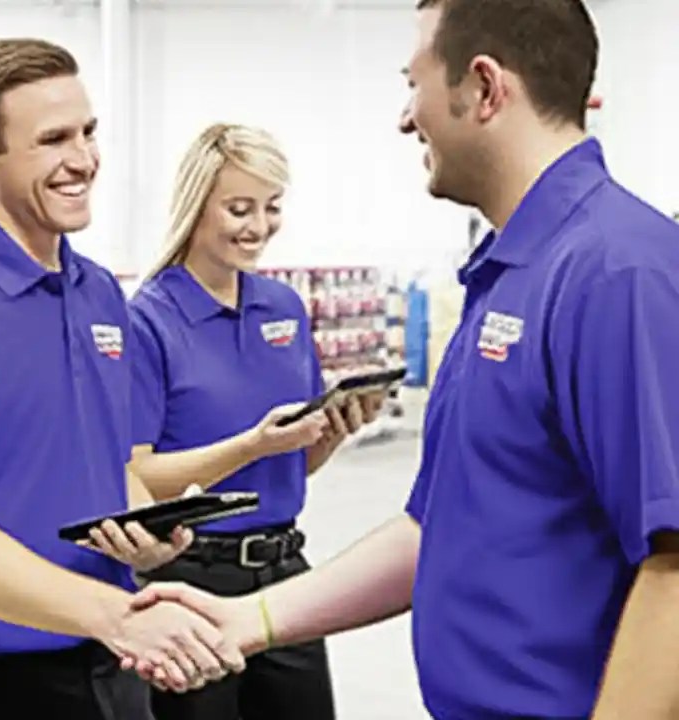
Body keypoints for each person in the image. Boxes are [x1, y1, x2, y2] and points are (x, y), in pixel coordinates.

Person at [124, 1, 679, 718]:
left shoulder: (619, 272)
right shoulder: (509, 275)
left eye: (412, 82)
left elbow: (672, 565)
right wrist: (247, 620)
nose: (404, 117)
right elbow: (437, 528)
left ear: (483, 88)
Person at [0, 38, 244, 719]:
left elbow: (108, 463)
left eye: (89, 132)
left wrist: (146, 539)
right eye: (53, 140)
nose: (84, 160)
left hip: (109, 664)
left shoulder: (98, 294)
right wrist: (114, 615)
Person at [122, 122, 384, 720]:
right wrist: (251, 445)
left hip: (286, 576)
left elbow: (298, 463)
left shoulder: (284, 308)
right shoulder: (148, 321)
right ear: (195, 206)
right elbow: (140, 478)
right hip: (191, 580)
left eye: (271, 207)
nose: (259, 226)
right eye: (240, 208)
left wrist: (335, 429)